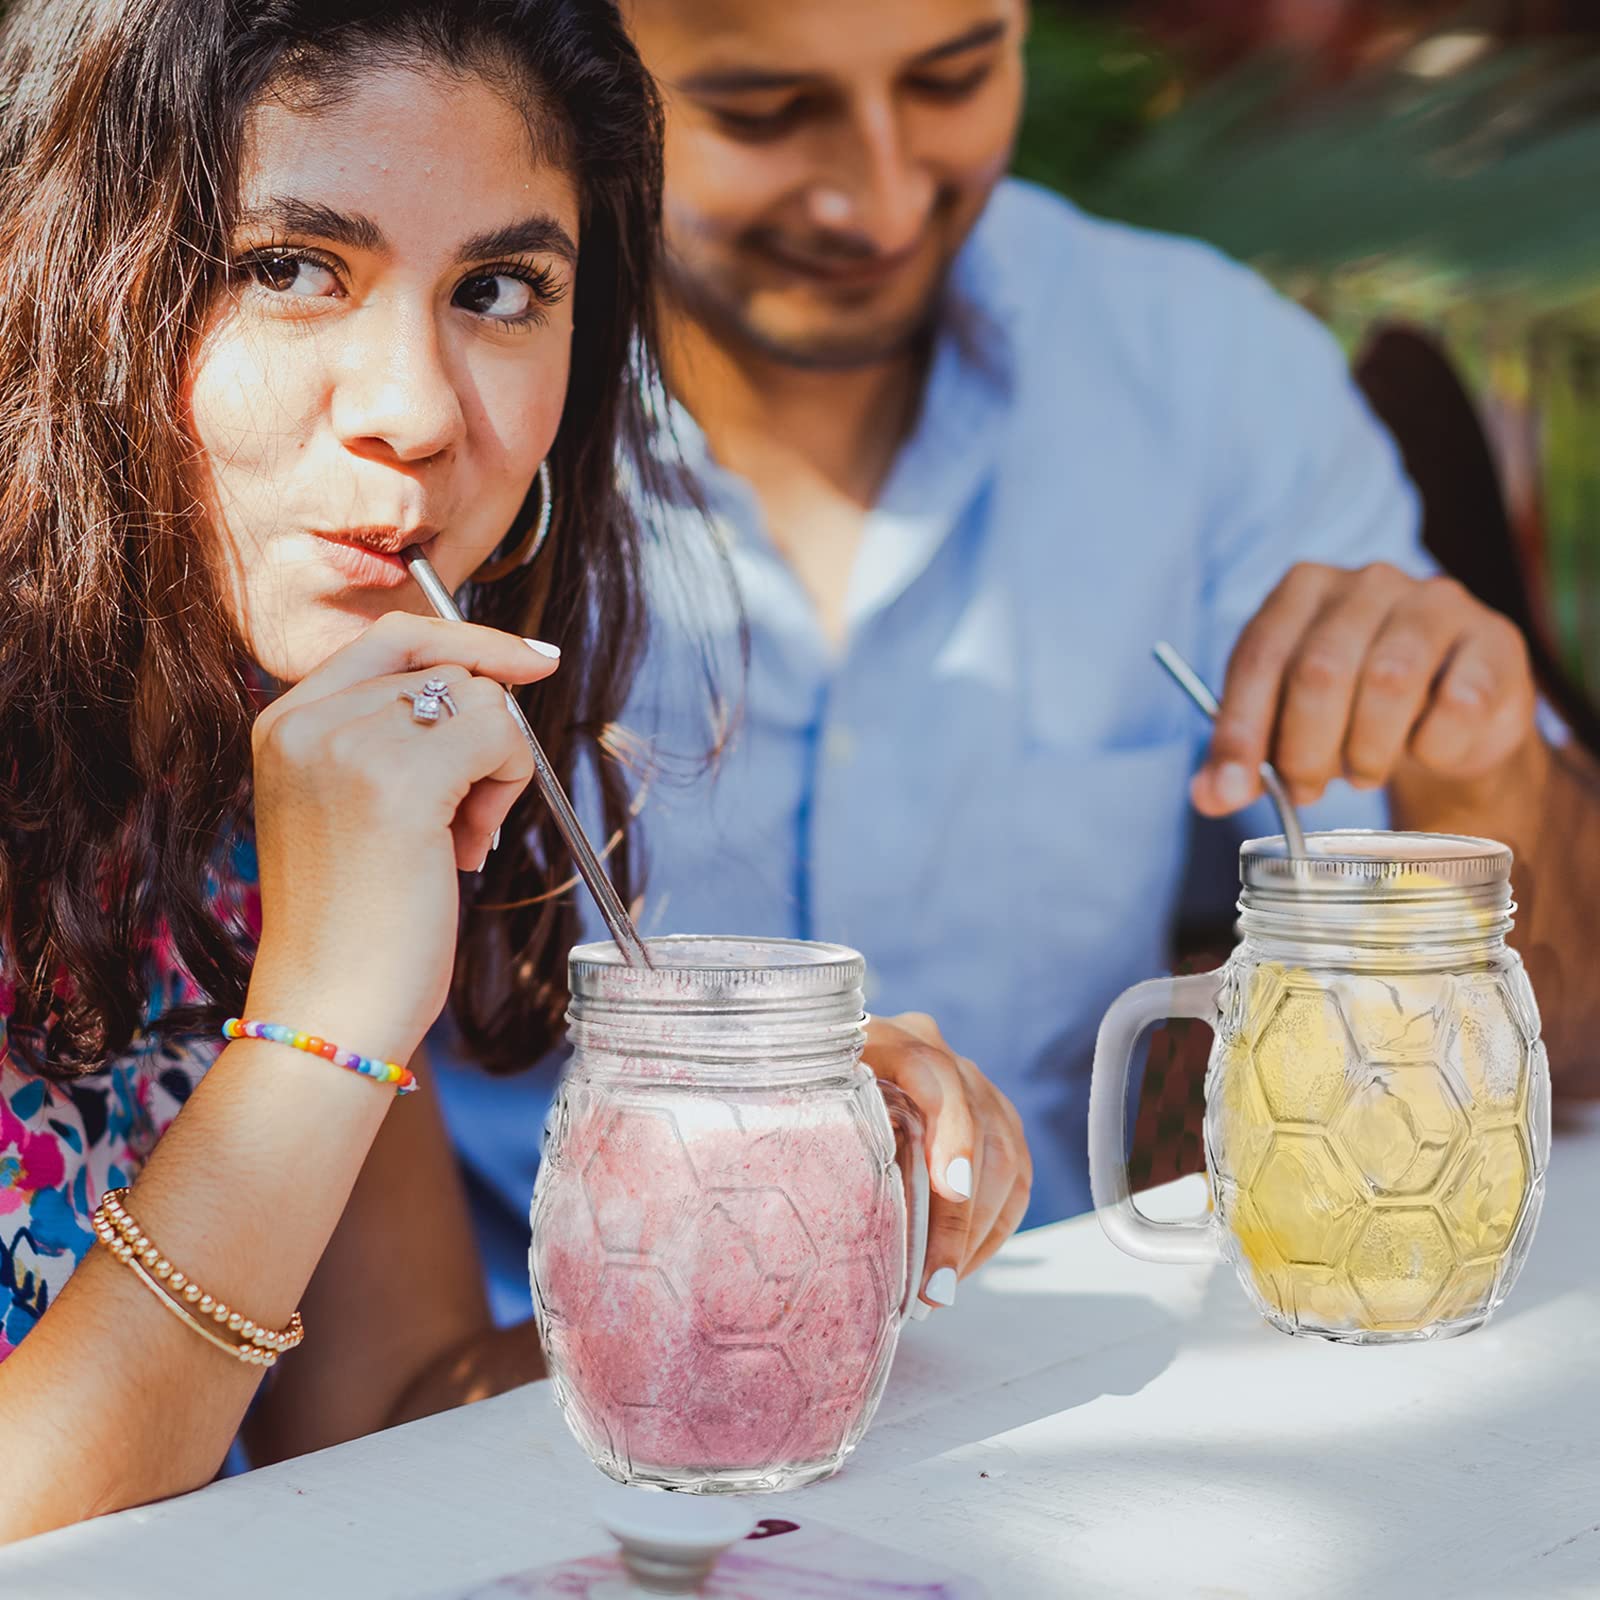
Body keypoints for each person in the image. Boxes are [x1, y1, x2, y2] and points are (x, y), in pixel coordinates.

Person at [0, 0, 1026, 1543]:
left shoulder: (277, 765)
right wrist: (318, 1025)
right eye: (289, 269)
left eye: (497, 288)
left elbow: (390, 1402)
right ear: (53, 275)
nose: (415, 411)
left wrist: (757, 1245)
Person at [437, 0, 1600, 1304]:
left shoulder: (1206, 381)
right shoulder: (433, 415)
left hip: (1062, 1361)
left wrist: (1479, 766)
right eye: (764, 113)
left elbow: (1565, 1048)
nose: (875, 201)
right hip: (534, 1398)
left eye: (953, 77)